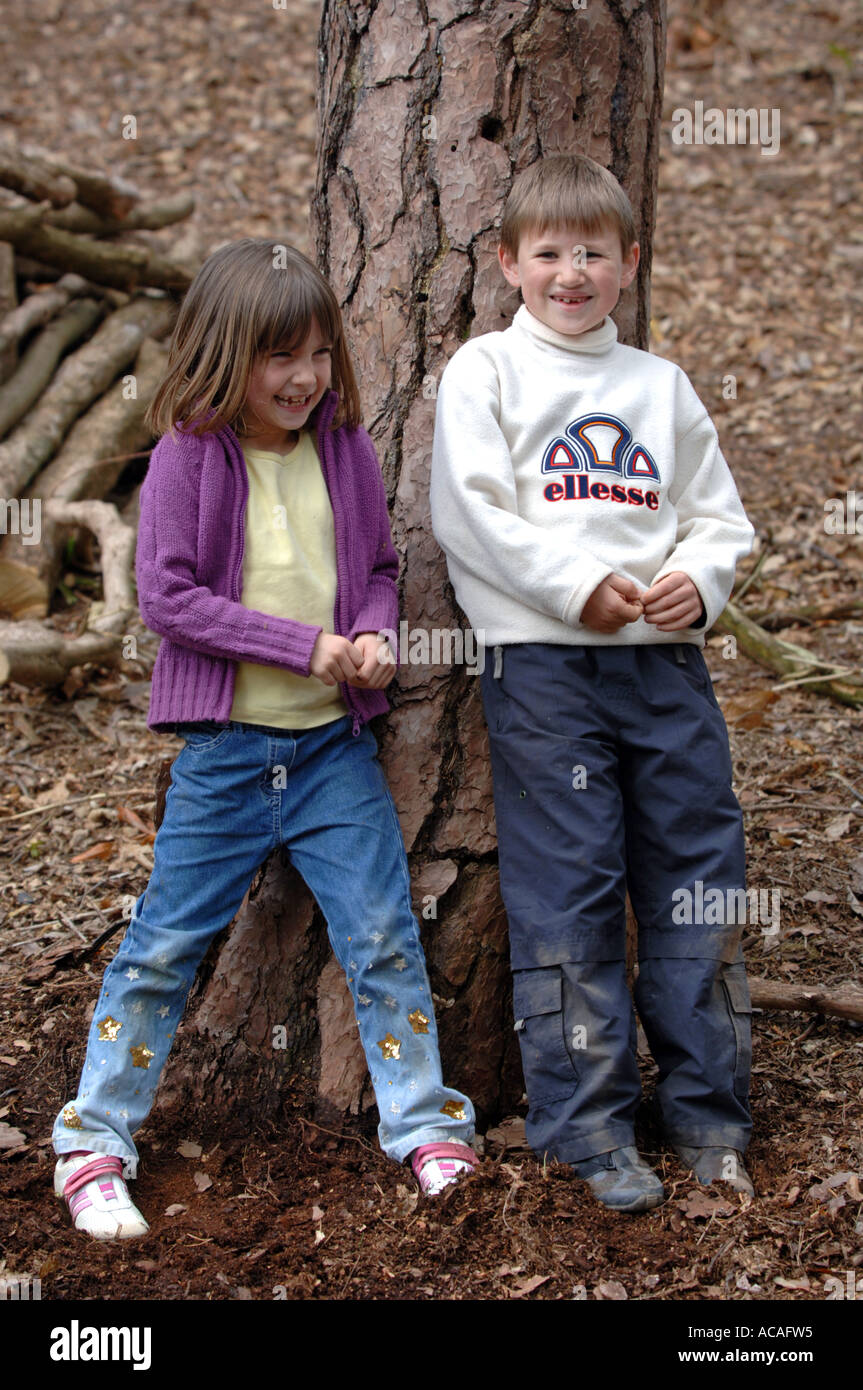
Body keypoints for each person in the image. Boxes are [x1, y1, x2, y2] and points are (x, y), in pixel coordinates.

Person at [52, 239, 477, 1239]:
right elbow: (168, 597)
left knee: (378, 936)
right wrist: (306, 644)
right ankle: (93, 1141)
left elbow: (375, 565)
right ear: (221, 355)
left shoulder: (344, 451)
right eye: (277, 357)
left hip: (334, 754)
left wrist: (370, 631)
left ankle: (426, 1127)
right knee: (163, 947)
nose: (303, 378)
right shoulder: (185, 459)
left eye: (318, 353)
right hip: (226, 755)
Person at [430, 155, 756, 1213]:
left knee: (695, 869)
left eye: (591, 252)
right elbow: (471, 512)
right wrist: (579, 586)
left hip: (664, 669)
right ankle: (584, 1124)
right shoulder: (486, 372)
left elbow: (717, 519)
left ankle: (708, 1109)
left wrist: (690, 582)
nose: (570, 273)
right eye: (547, 253)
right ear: (507, 264)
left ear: (627, 261)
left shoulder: (657, 388)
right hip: (544, 668)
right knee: (567, 887)